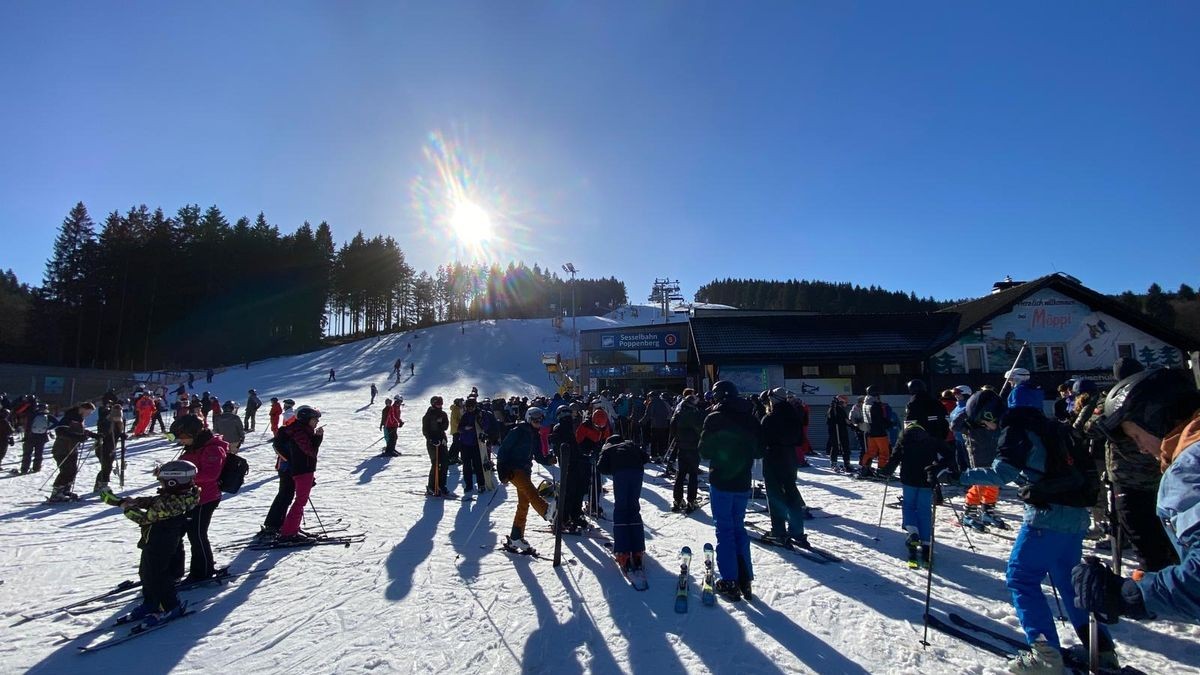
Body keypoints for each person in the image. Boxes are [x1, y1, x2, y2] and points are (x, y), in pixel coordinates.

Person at [952, 377, 1111, 672]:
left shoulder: (1013, 429)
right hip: (1076, 514)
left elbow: (1002, 474)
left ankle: (1045, 656)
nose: (986, 429)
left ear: (989, 415)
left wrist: (960, 476)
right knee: (1069, 582)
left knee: (1021, 578)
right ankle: (1101, 650)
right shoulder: (1049, 423)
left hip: (1046, 516)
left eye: (982, 423)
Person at [1072, 366, 1200, 628]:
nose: (1141, 448)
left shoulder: (1188, 469)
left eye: (1136, 436)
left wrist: (1129, 594)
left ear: (1155, 418)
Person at [98, 460, 198, 627]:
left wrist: (122, 505)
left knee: (158, 575)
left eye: (162, 481)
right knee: (146, 572)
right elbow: (156, 500)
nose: (160, 483)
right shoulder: (182, 494)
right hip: (157, 539)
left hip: (161, 541)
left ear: (173, 481)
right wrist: (136, 501)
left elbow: (144, 519)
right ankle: (151, 603)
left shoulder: (171, 502)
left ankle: (170, 606)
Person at [698, 380, 762, 602]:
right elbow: (760, 450)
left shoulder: (715, 418)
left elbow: (704, 450)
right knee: (739, 528)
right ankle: (745, 577)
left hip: (721, 481)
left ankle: (730, 580)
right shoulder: (750, 418)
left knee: (724, 530)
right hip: (743, 480)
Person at [880, 419, 954, 568]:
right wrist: (939, 468)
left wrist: (886, 471)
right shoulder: (931, 440)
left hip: (909, 480)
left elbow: (894, 459)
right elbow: (949, 454)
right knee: (924, 510)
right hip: (927, 480)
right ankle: (926, 543)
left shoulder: (903, 441)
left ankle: (912, 532)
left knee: (908, 506)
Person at [171, 414, 228, 582]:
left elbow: (211, 474)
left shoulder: (212, 448)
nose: (180, 441)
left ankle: (203, 570)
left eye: (182, 437)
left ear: (193, 433)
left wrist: (182, 477)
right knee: (177, 533)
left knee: (197, 534)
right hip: (189, 498)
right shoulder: (194, 446)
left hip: (206, 497)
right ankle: (174, 571)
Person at [496, 407, 558, 553]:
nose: (538, 422)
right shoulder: (518, 431)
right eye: (535, 419)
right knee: (531, 493)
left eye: (540, 419)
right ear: (529, 418)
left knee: (523, 503)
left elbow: (538, 456)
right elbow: (503, 450)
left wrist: (548, 460)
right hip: (513, 469)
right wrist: (501, 471)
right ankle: (546, 511)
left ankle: (516, 537)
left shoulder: (535, 435)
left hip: (525, 470)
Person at [759, 388, 810, 548]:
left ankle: (778, 531)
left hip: (773, 456)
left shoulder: (770, 418)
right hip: (790, 456)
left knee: (774, 494)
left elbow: (762, 439)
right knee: (791, 492)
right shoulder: (794, 415)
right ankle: (797, 531)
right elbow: (801, 439)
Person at [598, 434, 649, 580]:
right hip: (637, 472)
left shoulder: (608, 449)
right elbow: (645, 457)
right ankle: (638, 549)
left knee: (621, 509)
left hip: (621, 473)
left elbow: (601, 467)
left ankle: (623, 552)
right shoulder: (631, 444)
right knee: (633, 508)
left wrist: (614, 467)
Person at [273, 405, 324, 543]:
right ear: (306, 419)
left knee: (300, 500)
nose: (317, 422)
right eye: (314, 419)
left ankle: (292, 528)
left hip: (302, 469)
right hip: (303, 470)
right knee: (300, 501)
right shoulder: (300, 432)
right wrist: (318, 438)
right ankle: (289, 532)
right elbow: (309, 452)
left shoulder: (301, 430)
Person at [49, 403, 99, 502]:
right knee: (66, 470)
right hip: (62, 449)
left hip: (71, 449)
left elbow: (81, 431)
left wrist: (94, 435)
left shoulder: (78, 419)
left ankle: (65, 490)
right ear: (82, 409)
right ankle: (57, 492)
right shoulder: (69, 417)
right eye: (88, 412)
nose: (88, 415)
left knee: (72, 470)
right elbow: (60, 431)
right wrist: (77, 437)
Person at [669, 393, 705, 512]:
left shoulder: (678, 414)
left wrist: (679, 439)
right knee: (693, 475)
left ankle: (677, 500)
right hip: (693, 447)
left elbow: (672, 429)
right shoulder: (695, 415)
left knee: (680, 475)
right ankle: (691, 500)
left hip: (681, 447)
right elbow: (701, 430)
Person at [859, 386, 892, 478]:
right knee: (884, 452)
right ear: (876, 394)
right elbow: (879, 419)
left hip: (870, 431)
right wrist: (889, 423)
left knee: (871, 452)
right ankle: (882, 471)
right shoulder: (875, 404)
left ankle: (865, 469)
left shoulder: (865, 404)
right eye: (878, 394)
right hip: (879, 432)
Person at [457, 397, 487, 493]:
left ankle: (481, 484)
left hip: (476, 444)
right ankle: (469, 485)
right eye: (468, 407)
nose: (469, 409)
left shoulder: (480, 414)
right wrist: (465, 428)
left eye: (471, 407)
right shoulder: (465, 416)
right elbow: (459, 428)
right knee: (466, 466)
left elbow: (486, 426)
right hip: (465, 443)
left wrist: (481, 429)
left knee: (478, 465)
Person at [93, 401, 125, 492]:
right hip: (102, 447)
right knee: (106, 466)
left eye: (119, 417)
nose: (117, 418)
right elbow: (102, 433)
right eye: (116, 417)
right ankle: (100, 484)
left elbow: (116, 435)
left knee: (108, 466)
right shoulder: (105, 422)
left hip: (111, 448)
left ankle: (103, 483)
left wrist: (121, 435)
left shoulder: (119, 424)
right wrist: (103, 434)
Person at [422, 397, 450, 495]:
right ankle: (432, 486)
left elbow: (446, 426)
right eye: (438, 404)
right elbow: (425, 431)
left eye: (441, 404)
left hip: (442, 440)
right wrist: (431, 440)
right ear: (433, 404)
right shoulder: (428, 416)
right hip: (432, 443)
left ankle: (442, 485)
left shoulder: (443, 414)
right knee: (435, 463)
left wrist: (440, 423)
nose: (440, 406)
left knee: (445, 463)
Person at [20, 403, 52, 474]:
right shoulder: (48, 416)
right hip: (42, 437)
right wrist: (47, 428)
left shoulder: (32, 414)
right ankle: (36, 468)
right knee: (39, 454)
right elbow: (56, 423)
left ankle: (24, 469)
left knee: (27, 453)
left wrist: (26, 434)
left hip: (30, 436)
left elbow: (27, 425)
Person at [827, 395, 853, 473]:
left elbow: (846, 420)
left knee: (846, 446)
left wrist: (853, 426)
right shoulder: (833, 409)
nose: (846, 404)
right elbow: (830, 419)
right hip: (835, 431)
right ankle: (833, 463)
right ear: (841, 402)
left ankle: (847, 463)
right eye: (845, 402)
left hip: (842, 430)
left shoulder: (841, 409)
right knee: (835, 446)